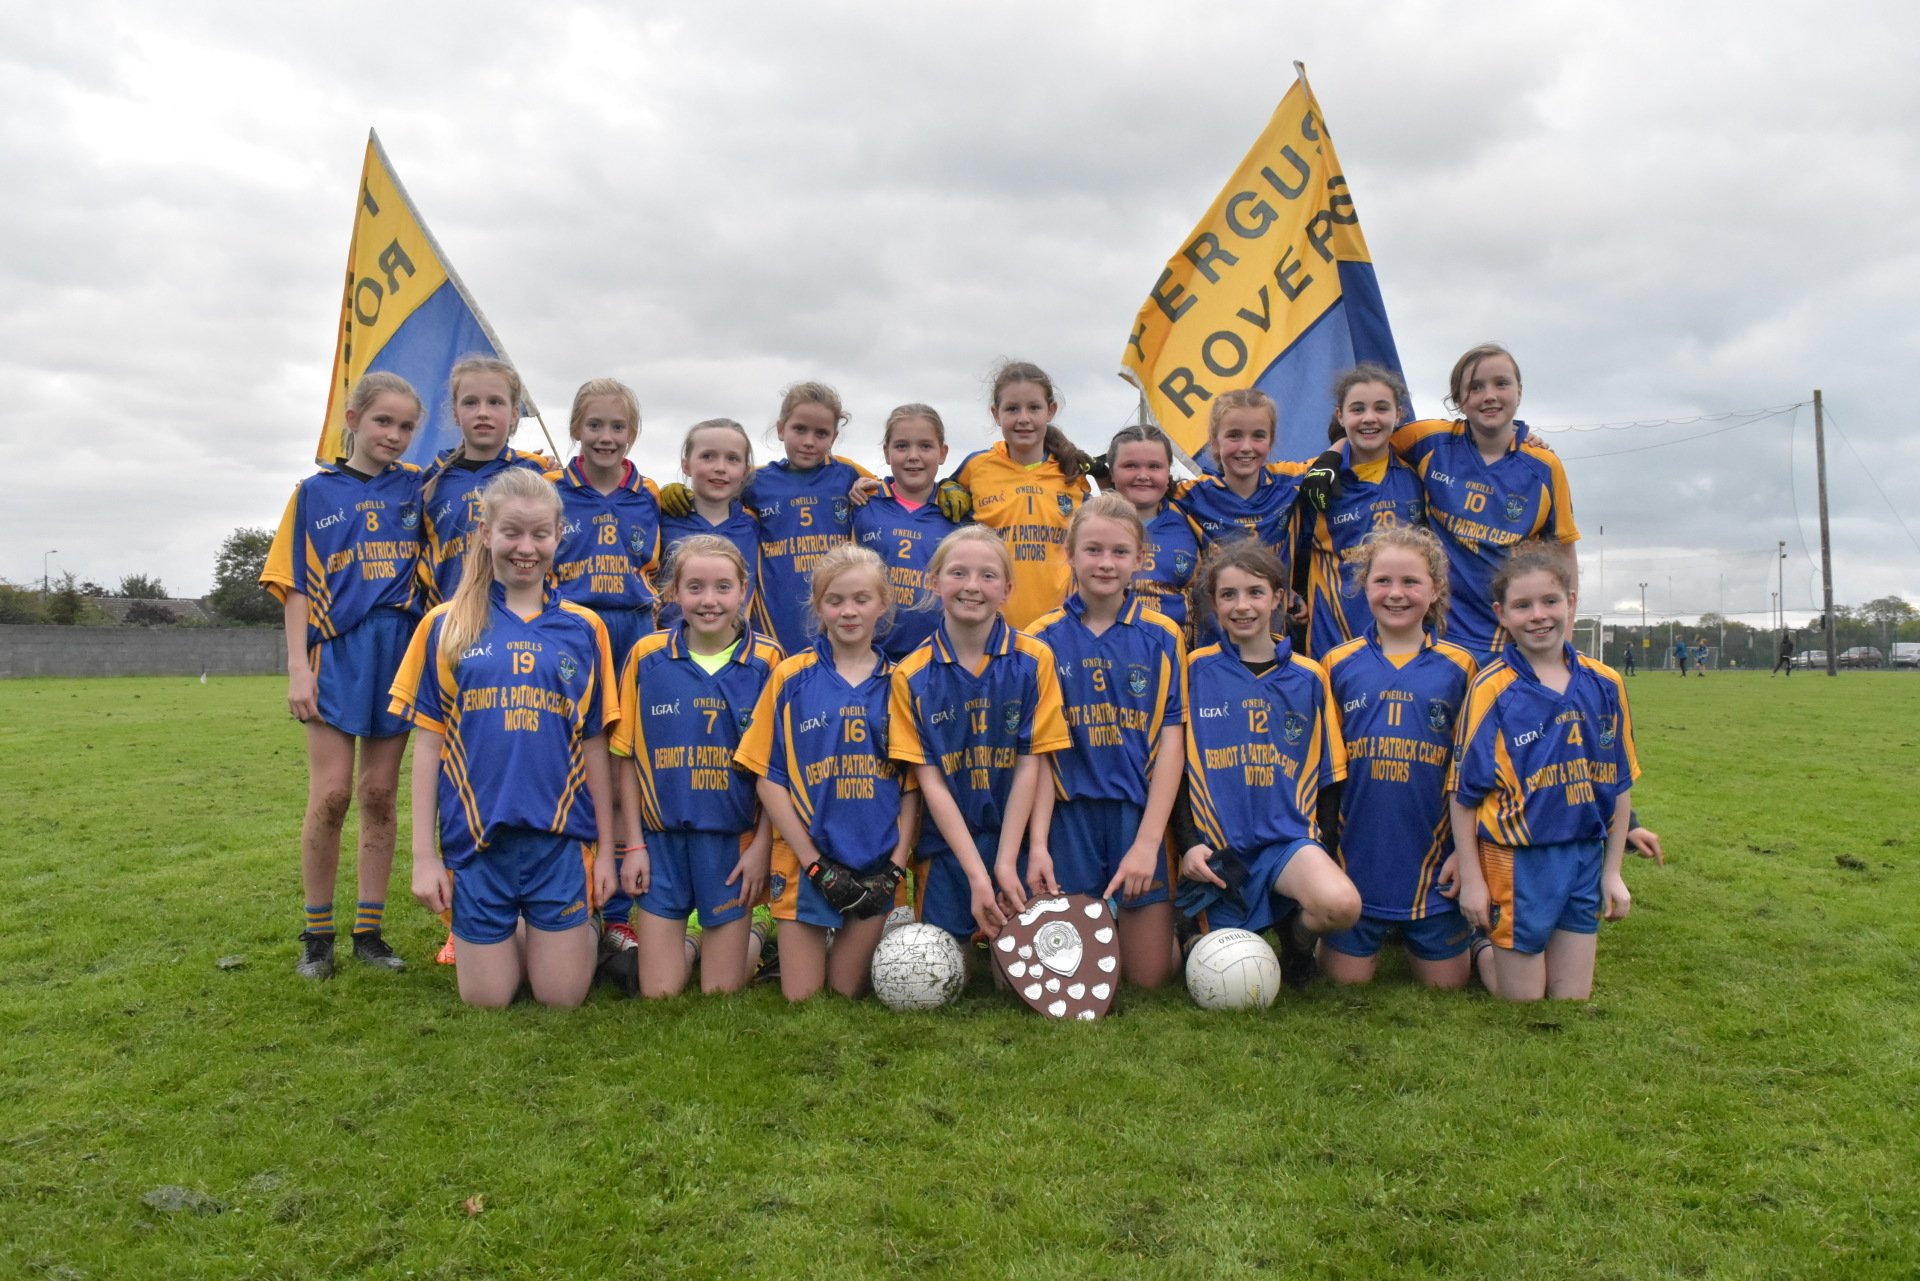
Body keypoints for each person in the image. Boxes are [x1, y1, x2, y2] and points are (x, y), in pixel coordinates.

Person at [390, 468, 619, 1007]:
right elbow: (427, 748)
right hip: (477, 845)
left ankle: (573, 929)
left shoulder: (585, 628)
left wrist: (605, 852)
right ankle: (510, 930)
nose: (526, 547)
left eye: (540, 534)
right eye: (512, 532)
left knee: (561, 998)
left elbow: (593, 746)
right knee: (487, 1000)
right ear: (485, 534)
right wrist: (425, 858)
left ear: (559, 536)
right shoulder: (445, 625)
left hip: (559, 843)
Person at [261, 372, 427, 979]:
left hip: (400, 651)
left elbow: (479, 491)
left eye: (408, 426)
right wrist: (298, 667)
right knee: (331, 795)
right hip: (336, 653)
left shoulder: (419, 487)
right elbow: (295, 586)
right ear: (352, 420)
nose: (395, 434)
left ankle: (370, 933)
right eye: (384, 421)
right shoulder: (314, 492)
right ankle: (316, 935)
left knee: (379, 795)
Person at [1451, 541, 1639, 1001]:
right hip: (1518, 859)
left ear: (1571, 603)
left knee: (1571, 998)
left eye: (1550, 601)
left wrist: (1612, 873)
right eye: (1522, 605)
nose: (1538, 615)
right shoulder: (1491, 687)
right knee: (1524, 1000)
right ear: (1501, 614)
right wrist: (1473, 883)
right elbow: (1463, 795)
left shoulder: (1606, 683)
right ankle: (1481, 947)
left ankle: (1528, 943)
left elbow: (1619, 787)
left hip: (1582, 857)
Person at [1173, 540, 1362, 986]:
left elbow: (1329, 780)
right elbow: (1177, 771)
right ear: (1213, 603)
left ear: (1278, 598)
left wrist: (1324, 854)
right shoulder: (1193, 670)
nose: (1243, 606)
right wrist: (1188, 844)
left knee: (1341, 905)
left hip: (1286, 844)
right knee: (1210, 973)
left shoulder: (1310, 676)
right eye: (1229, 595)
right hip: (1218, 852)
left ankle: (1296, 940)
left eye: (1255, 593)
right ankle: (1193, 925)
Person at [737, 545, 918, 1000]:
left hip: (875, 864)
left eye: (861, 599)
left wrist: (894, 872)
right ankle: (762, 935)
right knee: (802, 998)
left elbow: (913, 789)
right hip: (806, 865)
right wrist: (814, 865)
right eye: (835, 600)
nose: (849, 611)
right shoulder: (790, 677)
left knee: (844, 992)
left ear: (883, 604)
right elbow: (769, 778)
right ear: (818, 607)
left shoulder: (901, 683)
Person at [1025, 495, 1188, 986]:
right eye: (1092, 550)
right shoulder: (1040, 637)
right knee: (1061, 974)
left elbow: (1172, 742)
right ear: (1070, 554)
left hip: (1134, 817)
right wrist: (1037, 845)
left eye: (1120, 552)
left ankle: (1184, 935)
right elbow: (1035, 753)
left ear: (1140, 560)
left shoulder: (1163, 634)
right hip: (1066, 816)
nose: (1105, 563)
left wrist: (1147, 843)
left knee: (1148, 979)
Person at [611, 534, 782, 996]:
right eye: (695, 587)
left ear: (744, 591)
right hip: (661, 843)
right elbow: (625, 756)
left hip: (732, 844)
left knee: (720, 991)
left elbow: (775, 769)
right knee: (659, 991)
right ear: (674, 593)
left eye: (723, 587)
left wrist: (761, 847)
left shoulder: (767, 661)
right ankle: (690, 941)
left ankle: (757, 931)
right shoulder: (647, 657)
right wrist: (634, 847)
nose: (709, 601)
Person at [889, 526, 1070, 945]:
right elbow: (929, 782)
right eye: (958, 573)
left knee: (1021, 975)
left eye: (987, 576)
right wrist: (977, 874)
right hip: (948, 850)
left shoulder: (1034, 659)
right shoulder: (910, 675)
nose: (972, 586)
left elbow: (1032, 763)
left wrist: (1005, 864)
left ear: (1007, 589)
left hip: (1016, 841)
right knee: (944, 974)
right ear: (932, 582)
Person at [1344, 345, 1577, 663]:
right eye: (1475, 387)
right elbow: (1367, 434)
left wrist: (1565, 639)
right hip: (1433, 640)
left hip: (1509, 643)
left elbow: (1564, 552)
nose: (1489, 395)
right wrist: (1330, 458)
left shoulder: (1545, 467)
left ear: (1519, 393)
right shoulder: (1429, 440)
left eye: (1501, 384)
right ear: (1458, 399)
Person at [1318, 526, 1478, 988]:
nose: (1396, 593)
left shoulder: (1461, 667)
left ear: (1435, 590)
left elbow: (1475, 773)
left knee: (1447, 987)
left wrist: (1467, 859)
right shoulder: (1337, 664)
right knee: (1343, 987)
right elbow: (1323, 774)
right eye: (1383, 581)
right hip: (1355, 867)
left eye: (1411, 582)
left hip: (1435, 870)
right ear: (1364, 586)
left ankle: (1478, 937)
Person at [546, 378, 662, 954]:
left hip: (633, 634)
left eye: (618, 427)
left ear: (632, 434)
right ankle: (568, 901)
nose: (606, 436)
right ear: (575, 429)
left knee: (625, 771)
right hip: (570, 634)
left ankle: (620, 912)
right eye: (595, 425)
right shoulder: (550, 489)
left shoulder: (654, 494)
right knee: (571, 771)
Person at [948, 361, 1092, 629]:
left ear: (1051, 411)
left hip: (1060, 626)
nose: (1023, 418)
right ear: (996, 413)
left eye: (1034, 408)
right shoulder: (975, 468)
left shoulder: (1072, 474)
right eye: (1012, 409)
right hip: (991, 625)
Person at [1298, 365, 1427, 659]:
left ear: (1399, 414)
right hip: (1334, 645)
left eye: (1381, 408)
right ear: (1340, 416)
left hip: (1406, 646)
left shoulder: (1418, 476)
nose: (1369, 418)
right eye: (1358, 409)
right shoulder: (1314, 479)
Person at [1171, 390, 1312, 642]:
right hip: (1213, 649)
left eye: (1258, 436)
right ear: (1214, 442)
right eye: (1234, 436)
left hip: (1276, 647)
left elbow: (1349, 449)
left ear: (1270, 442)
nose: (1246, 447)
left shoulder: (1291, 481)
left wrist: (1293, 590)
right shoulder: (1190, 495)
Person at [419, 356, 553, 606]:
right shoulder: (431, 480)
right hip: (448, 617)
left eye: (495, 402)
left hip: (517, 617)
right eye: (470, 402)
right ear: (456, 414)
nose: (483, 412)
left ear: (514, 414)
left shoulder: (537, 475)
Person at [850, 404, 960, 660]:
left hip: (937, 659)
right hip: (872, 658)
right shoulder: (863, 504)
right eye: (901, 446)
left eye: (925, 446)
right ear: (886, 452)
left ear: (942, 453)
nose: (913, 456)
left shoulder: (957, 515)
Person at [655, 418, 768, 635]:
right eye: (707, 456)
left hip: (734, 646)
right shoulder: (662, 518)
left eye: (732, 459)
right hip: (670, 646)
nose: (720, 468)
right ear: (686, 464)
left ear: (746, 470)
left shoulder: (755, 524)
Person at [1104, 423, 1204, 638]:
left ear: (1168, 471)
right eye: (1130, 466)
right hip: (1109, 654)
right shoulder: (1090, 523)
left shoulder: (1193, 517)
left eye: (1154, 467)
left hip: (1175, 655)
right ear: (1111, 472)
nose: (1143, 475)